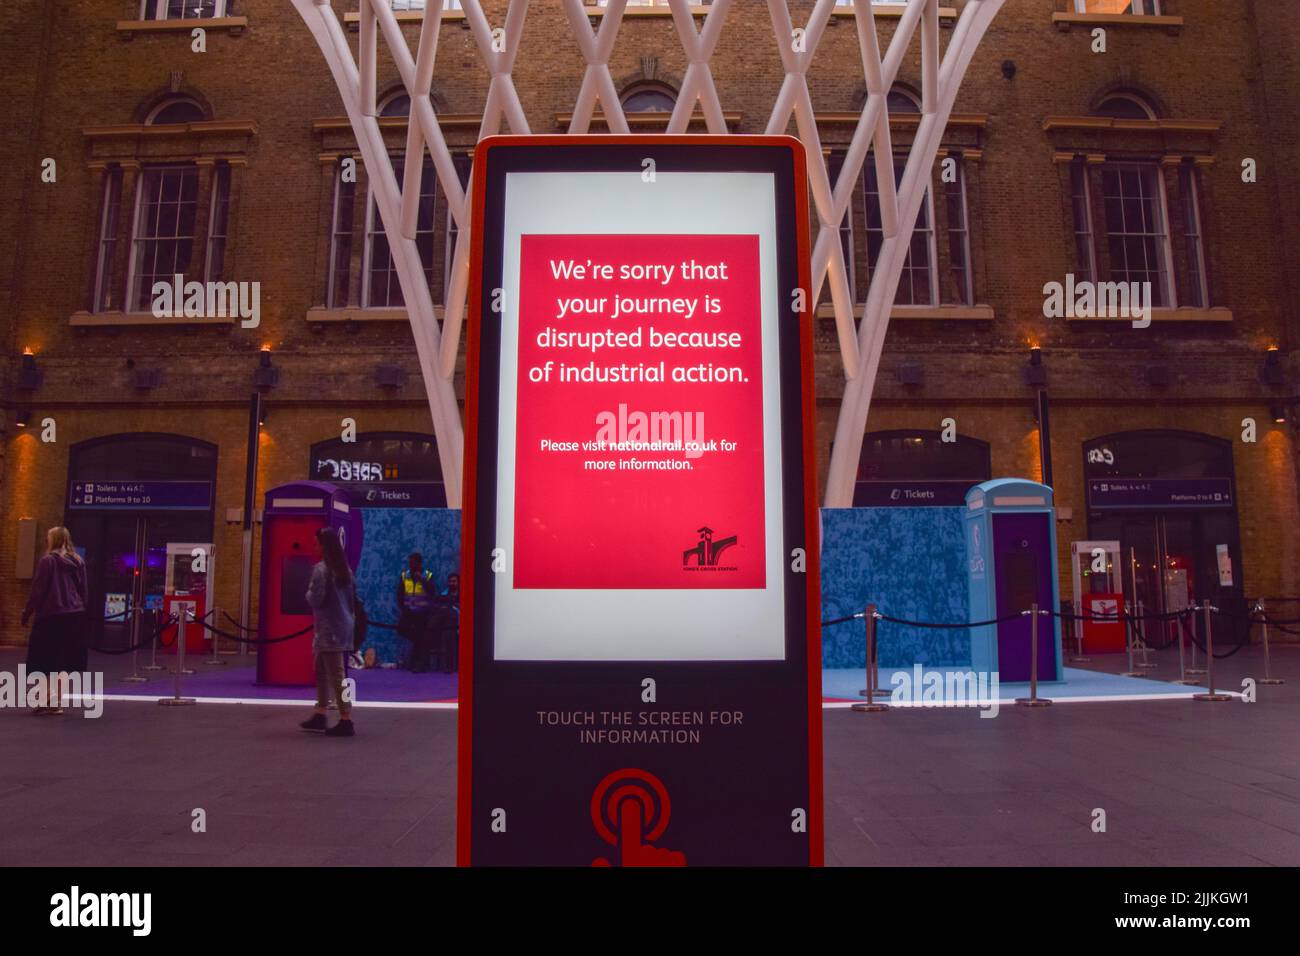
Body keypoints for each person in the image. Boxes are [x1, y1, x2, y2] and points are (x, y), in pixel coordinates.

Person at [21, 526, 88, 716]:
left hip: (51, 615)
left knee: (43, 658)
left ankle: (46, 699)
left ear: (53, 540)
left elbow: (38, 590)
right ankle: (57, 701)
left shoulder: (47, 561)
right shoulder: (78, 561)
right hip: (74, 615)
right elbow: (84, 590)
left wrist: (27, 613)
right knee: (63, 661)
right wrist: (84, 612)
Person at [301, 527, 356, 737]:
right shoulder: (345, 570)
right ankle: (321, 712)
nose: (315, 547)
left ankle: (346, 718)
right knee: (322, 669)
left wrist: (307, 591)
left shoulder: (321, 570)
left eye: (316, 543)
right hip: (342, 626)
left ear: (324, 546)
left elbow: (315, 599)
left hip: (327, 628)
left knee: (336, 674)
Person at [396, 552, 435, 672]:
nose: (411, 565)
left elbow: (432, 591)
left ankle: (418, 664)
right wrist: (402, 607)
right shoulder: (405, 575)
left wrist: (421, 579)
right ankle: (416, 660)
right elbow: (400, 593)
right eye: (410, 563)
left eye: (413, 563)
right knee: (402, 630)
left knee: (420, 637)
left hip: (422, 613)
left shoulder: (427, 575)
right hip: (408, 612)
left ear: (419, 563)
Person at [431, 572, 461, 673]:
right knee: (448, 635)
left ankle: (453, 666)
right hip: (447, 626)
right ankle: (449, 666)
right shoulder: (443, 595)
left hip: (460, 623)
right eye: (450, 581)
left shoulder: (464, 594)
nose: (452, 583)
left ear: (458, 583)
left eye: (454, 581)